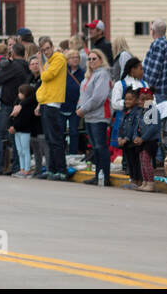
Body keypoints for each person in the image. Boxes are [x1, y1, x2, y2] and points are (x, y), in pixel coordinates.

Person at [0, 43, 27, 175]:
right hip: (20, 104)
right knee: (13, 136)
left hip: (7, 104)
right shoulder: (26, 66)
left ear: (13, 53)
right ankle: (15, 166)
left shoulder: (13, 66)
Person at [76, 51, 111, 186]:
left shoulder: (102, 74)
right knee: (95, 148)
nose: (91, 61)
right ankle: (98, 176)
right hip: (89, 116)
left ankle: (105, 176)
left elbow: (98, 97)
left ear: (101, 60)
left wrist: (83, 109)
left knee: (101, 146)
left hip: (99, 116)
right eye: (89, 59)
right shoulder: (89, 76)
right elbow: (83, 95)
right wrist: (80, 107)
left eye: (94, 58)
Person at [37, 37, 69, 180]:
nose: (46, 52)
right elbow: (45, 85)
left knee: (55, 139)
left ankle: (61, 170)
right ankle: (52, 169)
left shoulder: (58, 58)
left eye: (47, 48)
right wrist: (40, 103)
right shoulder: (50, 61)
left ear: (52, 46)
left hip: (53, 103)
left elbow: (46, 76)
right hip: (46, 101)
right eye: (43, 50)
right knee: (50, 139)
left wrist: (39, 63)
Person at [141, 20, 167, 135]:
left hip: (155, 94)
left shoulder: (157, 44)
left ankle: (157, 153)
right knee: (165, 129)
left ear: (153, 31)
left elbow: (153, 72)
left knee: (151, 127)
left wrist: (145, 90)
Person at [10, 84, 38, 175]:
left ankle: (27, 169)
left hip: (24, 130)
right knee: (19, 150)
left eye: (20, 93)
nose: (18, 94)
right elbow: (12, 117)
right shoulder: (18, 104)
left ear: (26, 94)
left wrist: (15, 127)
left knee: (25, 150)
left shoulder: (28, 106)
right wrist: (11, 126)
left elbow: (25, 120)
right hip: (17, 130)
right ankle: (22, 168)